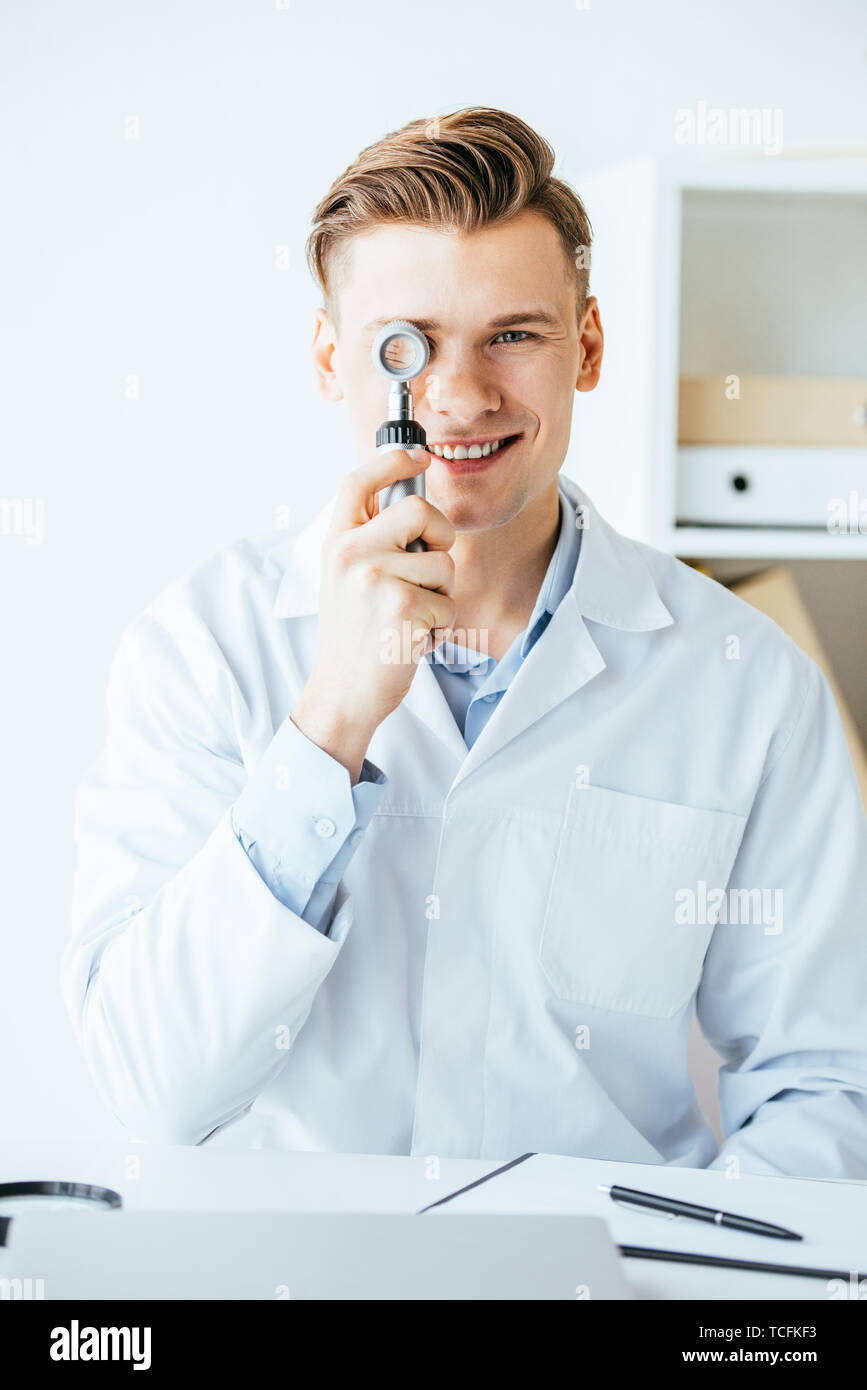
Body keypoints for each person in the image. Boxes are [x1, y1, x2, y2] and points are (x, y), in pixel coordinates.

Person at [62, 107, 867, 1176]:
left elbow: (824, 1082)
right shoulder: (201, 649)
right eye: (409, 343)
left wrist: (687, 1292)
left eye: (514, 335)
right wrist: (331, 724)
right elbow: (155, 1089)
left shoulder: (748, 683)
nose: (459, 394)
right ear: (328, 357)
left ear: (586, 345)